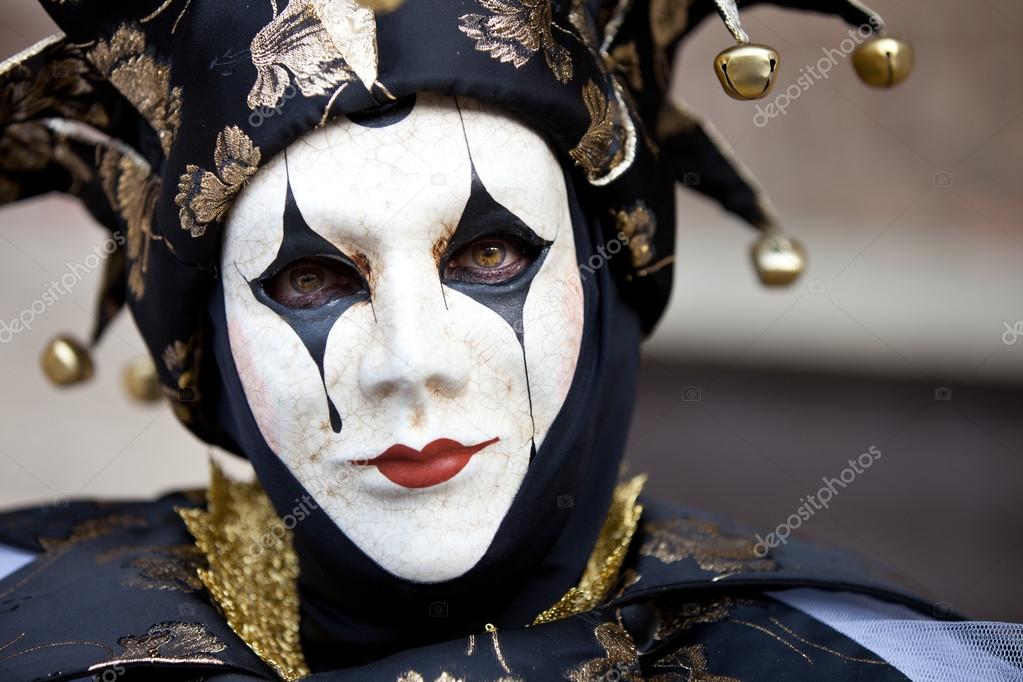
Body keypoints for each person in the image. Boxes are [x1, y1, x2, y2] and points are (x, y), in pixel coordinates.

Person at [1, 0, 1021, 680]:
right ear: (205, 352)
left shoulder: (839, 663)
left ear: (608, 274)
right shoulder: (42, 630)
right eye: (310, 277)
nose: (412, 360)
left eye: (489, 255)